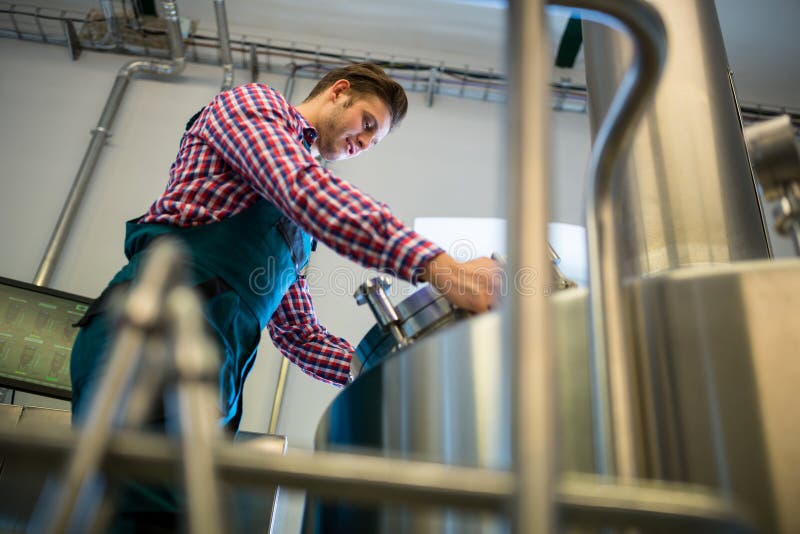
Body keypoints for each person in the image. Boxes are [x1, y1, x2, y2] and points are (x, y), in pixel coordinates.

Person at [69, 62, 501, 530]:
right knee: (136, 510)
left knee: (177, 515)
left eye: (370, 144)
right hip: (154, 331)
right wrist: (440, 266)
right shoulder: (254, 107)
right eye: (367, 124)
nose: (361, 144)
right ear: (338, 92)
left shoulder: (293, 233)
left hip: (217, 366)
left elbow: (300, 335)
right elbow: (303, 189)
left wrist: (387, 369)